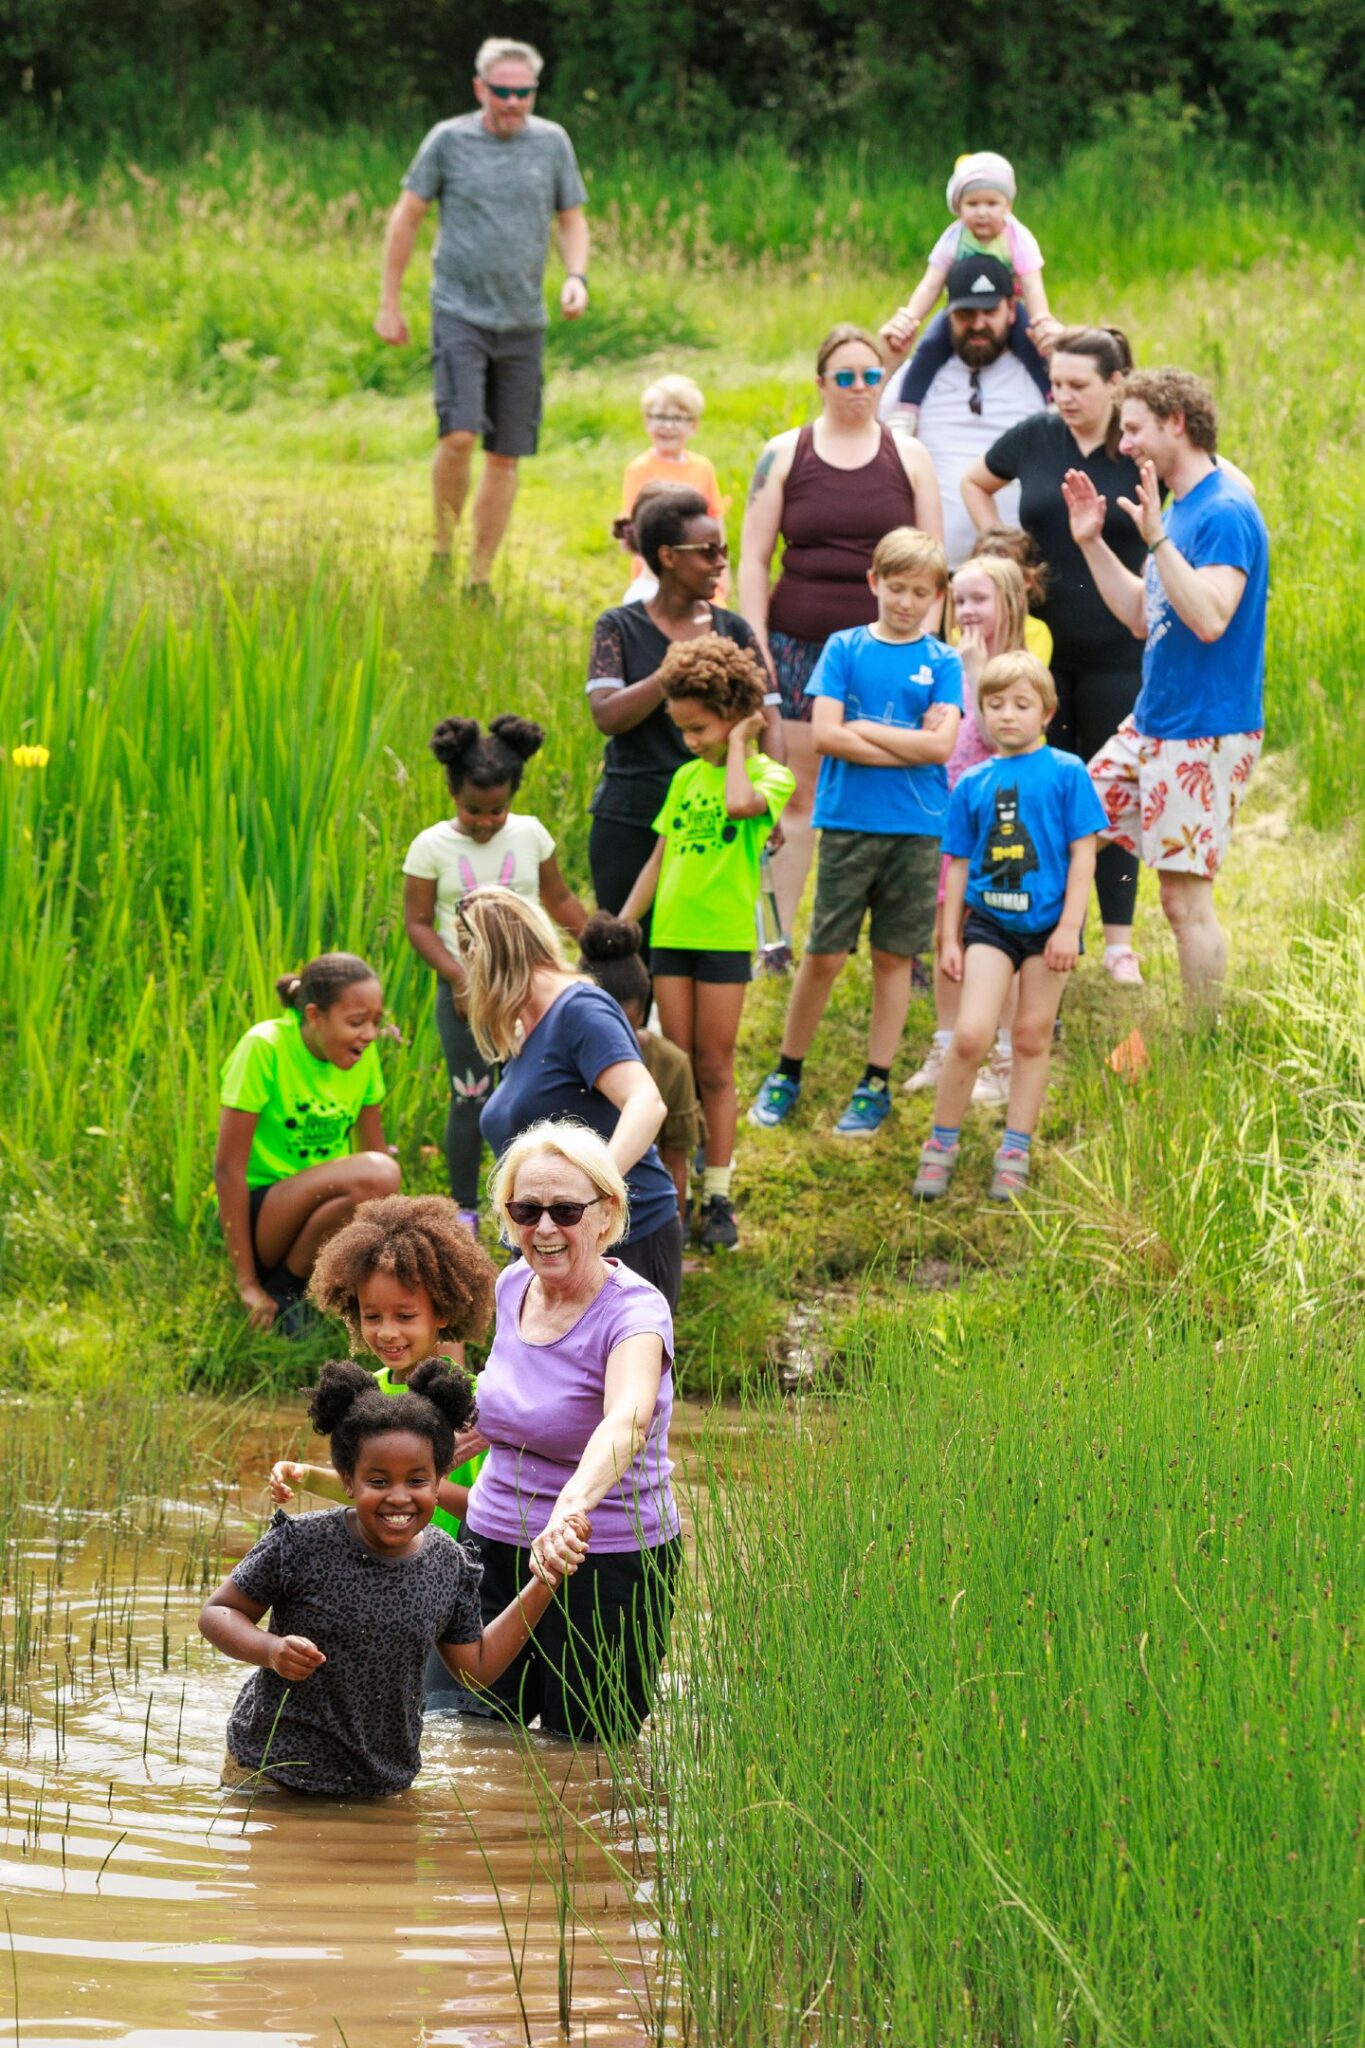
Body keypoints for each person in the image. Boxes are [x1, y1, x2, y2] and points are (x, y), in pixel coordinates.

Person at [200, 1357, 587, 1797]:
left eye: (417, 1481)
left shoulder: (448, 1563)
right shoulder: (301, 1543)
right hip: (272, 1771)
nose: (399, 1497)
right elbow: (218, 1612)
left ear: (438, 1482)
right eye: (379, 1482)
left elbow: (476, 1669)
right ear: (348, 1482)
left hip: (380, 1779)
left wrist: (545, 1581)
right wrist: (269, 1650)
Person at [460, 1120, 681, 1743]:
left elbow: (628, 1418)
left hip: (604, 1560)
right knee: (468, 1738)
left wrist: (569, 1510)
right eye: (526, 1210)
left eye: (565, 1210)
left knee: (584, 1757)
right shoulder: (512, 1285)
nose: (545, 1228)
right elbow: (504, 1410)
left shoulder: (637, 1311)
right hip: (490, 1549)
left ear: (606, 1214)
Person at [1062, 368, 1269, 1009]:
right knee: (1068, 827)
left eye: (1134, 429)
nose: (1124, 444)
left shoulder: (1224, 510)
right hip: (1151, 721)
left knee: (1182, 900)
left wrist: (1156, 539)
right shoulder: (1180, 510)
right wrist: (1092, 544)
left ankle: (1203, 1043)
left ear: (1176, 422)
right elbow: (1142, 616)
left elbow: (1209, 618)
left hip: (1205, 729)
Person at [748, 530, 961, 1136]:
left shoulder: (943, 661)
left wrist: (865, 732)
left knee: (894, 956)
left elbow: (941, 748)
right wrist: (910, 742)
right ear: (874, 583)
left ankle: (875, 1081)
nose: (906, 602)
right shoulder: (845, 647)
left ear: (937, 596)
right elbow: (826, 735)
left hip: (916, 829)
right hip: (847, 824)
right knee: (824, 953)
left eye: (920, 592)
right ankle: (787, 1069)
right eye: (896, 588)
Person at [739, 323, 943, 925]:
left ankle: (897, 937)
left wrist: (926, 648)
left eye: (871, 375)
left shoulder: (910, 456)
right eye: (846, 376)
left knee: (891, 791)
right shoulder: (784, 453)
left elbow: (934, 564)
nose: (860, 387)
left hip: (892, 651)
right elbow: (753, 558)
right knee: (794, 796)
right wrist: (756, 645)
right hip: (797, 646)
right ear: (821, 383)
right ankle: (776, 939)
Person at [265, 1194, 499, 1716]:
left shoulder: (473, 1403)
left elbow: (487, 1511)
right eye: (372, 1315)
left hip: (454, 1581)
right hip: (387, 1577)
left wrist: (424, 1487)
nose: (387, 1332)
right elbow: (365, 1492)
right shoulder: (365, 1394)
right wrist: (304, 1475)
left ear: (443, 1311)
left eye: (405, 1315)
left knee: (448, 1711)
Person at [961, 326, 1147, 982]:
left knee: (1110, 794)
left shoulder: (1136, 448)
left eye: (1077, 385)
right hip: (1038, 650)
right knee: (1041, 791)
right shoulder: (1036, 436)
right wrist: (1001, 546)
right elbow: (975, 482)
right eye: (1055, 384)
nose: (1062, 396)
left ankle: (1118, 940)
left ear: (1116, 384)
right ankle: (1045, 926)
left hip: (1119, 650)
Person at [375, 37, 589, 595]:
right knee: (460, 436)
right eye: (502, 92)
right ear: (479, 89)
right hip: (459, 312)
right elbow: (406, 218)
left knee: (505, 456)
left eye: (524, 93)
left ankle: (479, 579)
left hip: (523, 321)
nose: (513, 102)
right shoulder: (448, 141)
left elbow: (571, 217)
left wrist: (576, 275)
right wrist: (389, 303)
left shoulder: (552, 143)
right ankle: (441, 552)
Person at [620, 637, 795, 1249]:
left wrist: (743, 742)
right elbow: (658, 860)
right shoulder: (684, 778)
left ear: (737, 714)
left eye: (699, 728)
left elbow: (742, 805)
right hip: (672, 936)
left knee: (715, 1067)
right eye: (682, 730)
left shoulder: (770, 774)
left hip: (722, 940)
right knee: (679, 1066)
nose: (690, 741)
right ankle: (678, 1191)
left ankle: (719, 1193)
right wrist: (623, 925)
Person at [913, 652, 1107, 1203]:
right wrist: (950, 938)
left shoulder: (1068, 772)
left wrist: (1070, 927)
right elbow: (956, 862)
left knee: (1030, 1035)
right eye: (995, 704)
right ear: (981, 713)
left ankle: (1015, 1148)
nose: (1007, 715)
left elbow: (1084, 853)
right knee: (971, 1034)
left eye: (1021, 705)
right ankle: (941, 1142)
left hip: (1049, 930)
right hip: (990, 925)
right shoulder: (973, 782)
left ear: (1046, 712)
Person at [403, 713, 587, 1232]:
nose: (485, 822)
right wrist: (459, 977)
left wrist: (595, 941)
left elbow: (558, 897)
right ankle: (465, 1206)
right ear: (451, 792)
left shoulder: (530, 835)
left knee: (533, 1095)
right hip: (466, 995)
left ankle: (531, 1198)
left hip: (532, 991)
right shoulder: (431, 847)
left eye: (496, 811)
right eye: (473, 810)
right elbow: (418, 923)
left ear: (513, 797)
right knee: (470, 1096)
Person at [459, 888, 683, 1311]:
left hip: (624, 1241)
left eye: (468, 958)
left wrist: (591, 1190)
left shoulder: (579, 1010)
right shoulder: (527, 1027)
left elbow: (646, 1102)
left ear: (485, 955)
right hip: (550, 1245)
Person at [586, 486, 783, 944]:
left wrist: (770, 799)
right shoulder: (617, 626)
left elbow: (770, 717)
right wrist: (676, 668)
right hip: (631, 816)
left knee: (693, 957)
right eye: (708, 552)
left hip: (711, 822)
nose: (720, 563)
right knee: (624, 953)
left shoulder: (733, 629)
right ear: (668, 557)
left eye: (724, 551)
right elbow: (607, 716)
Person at [904, 554, 1034, 1106]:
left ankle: (1004, 1056)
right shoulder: (944, 665)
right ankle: (945, 1044)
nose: (967, 610)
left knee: (999, 939)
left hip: (1001, 825)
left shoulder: (1020, 669)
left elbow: (1002, 738)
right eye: (959, 600)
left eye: (980, 599)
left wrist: (979, 672)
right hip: (951, 822)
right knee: (948, 934)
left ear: (1010, 602)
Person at [215, 954, 400, 1335]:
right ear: (315, 1015)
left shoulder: (363, 1056)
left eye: (375, 1021)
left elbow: (375, 1152)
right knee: (380, 1172)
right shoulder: (264, 1047)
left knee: (381, 1175)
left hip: (323, 1214)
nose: (369, 1034)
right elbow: (228, 1169)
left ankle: (288, 1290)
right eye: (356, 1022)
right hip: (260, 1215)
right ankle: (276, 1286)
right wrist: (245, 1281)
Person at [878, 257, 1049, 569]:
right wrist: (888, 361)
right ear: (949, 314)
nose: (978, 324)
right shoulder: (917, 376)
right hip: (935, 572)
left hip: (1021, 570)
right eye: (966, 313)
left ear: (1012, 310)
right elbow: (866, 434)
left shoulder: (1043, 377)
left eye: (990, 312)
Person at [880, 152, 1060, 403]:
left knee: (1033, 349)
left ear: (1007, 206)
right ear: (958, 207)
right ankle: (907, 406)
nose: (982, 212)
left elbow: (1032, 285)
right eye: (972, 204)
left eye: (992, 204)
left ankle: (1051, 399)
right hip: (960, 307)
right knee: (929, 347)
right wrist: (911, 317)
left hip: (1006, 309)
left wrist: (1040, 320)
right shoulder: (954, 238)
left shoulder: (1017, 238)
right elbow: (931, 284)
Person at [578, 913, 704, 1226]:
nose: (617, 1042)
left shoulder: (671, 1063)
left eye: (626, 1027)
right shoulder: (563, 1058)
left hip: (645, 1215)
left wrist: (675, 1232)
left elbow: (676, 1160)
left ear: (642, 1012)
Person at [620, 374, 726, 596]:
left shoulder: (703, 467)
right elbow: (632, 532)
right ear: (646, 421)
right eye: (659, 416)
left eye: (678, 418)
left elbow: (716, 521)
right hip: (657, 584)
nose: (667, 426)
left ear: (693, 425)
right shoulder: (639, 469)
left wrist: (722, 576)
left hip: (701, 577)